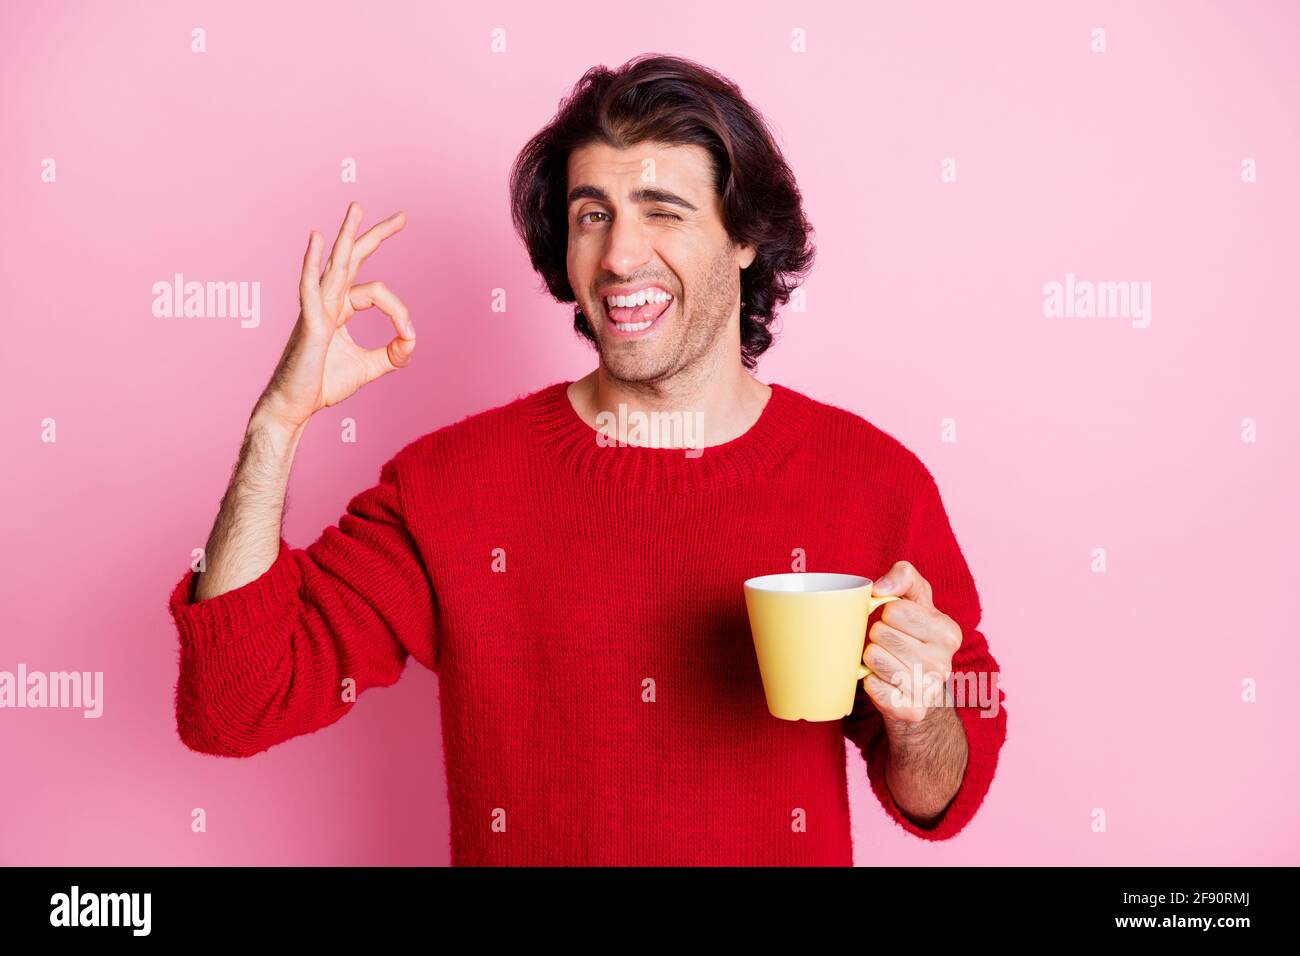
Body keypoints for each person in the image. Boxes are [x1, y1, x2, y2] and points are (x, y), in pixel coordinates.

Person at [167, 53, 1007, 866]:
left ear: (746, 238)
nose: (620, 257)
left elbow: (942, 790)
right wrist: (275, 426)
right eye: (591, 214)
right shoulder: (452, 485)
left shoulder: (870, 479)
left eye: (663, 210)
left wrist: (921, 713)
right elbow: (234, 706)